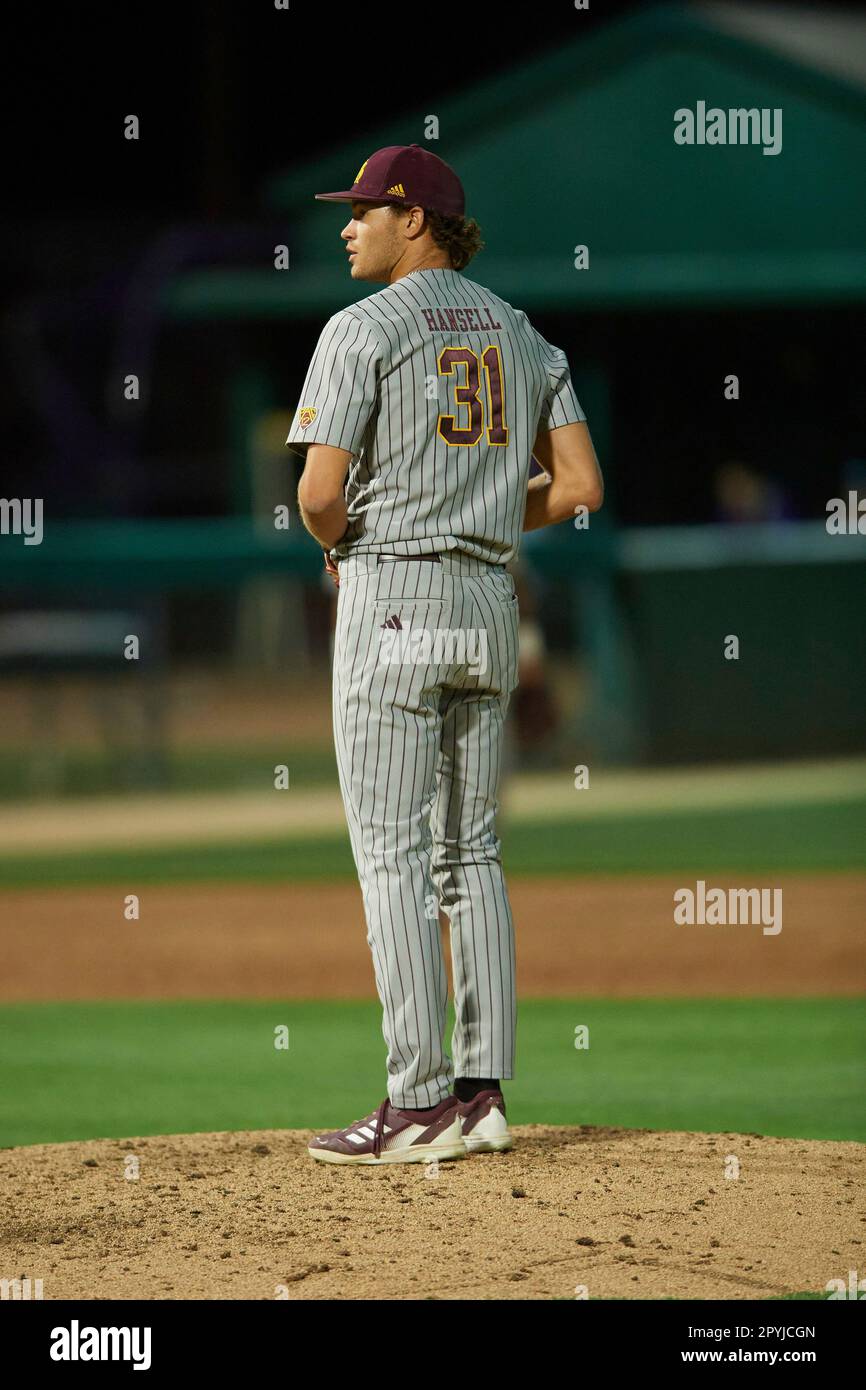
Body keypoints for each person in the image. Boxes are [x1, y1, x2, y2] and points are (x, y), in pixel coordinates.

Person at [285, 144, 603, 1165]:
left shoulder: (358, 328)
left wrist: (341, 549)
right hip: (486, 598)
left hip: (392, 595)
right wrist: (480, 517)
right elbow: (581, 485)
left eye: (362, 211)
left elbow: (318, 497)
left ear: (411, 218)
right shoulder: (520, 332)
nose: (345, 226)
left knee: (391, 852)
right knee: (472, 854)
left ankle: (415, 1100)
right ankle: (480, 1095)